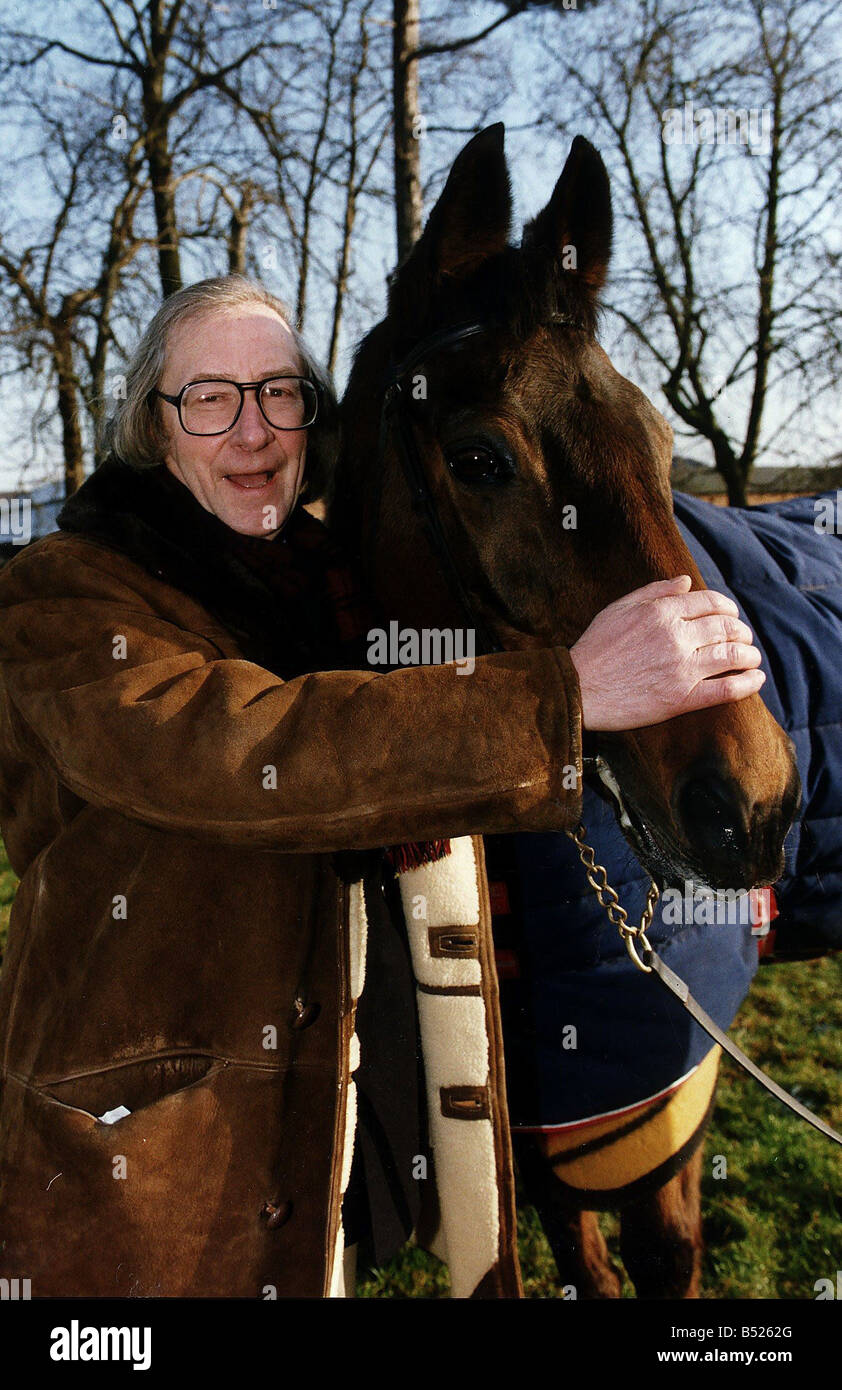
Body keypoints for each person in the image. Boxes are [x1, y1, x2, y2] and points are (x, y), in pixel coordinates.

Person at [0, 275, 764, 1299]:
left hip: (301, 1127)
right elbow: (236, 751)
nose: (252, 431)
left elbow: (384, 735)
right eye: (209, 398)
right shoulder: (67, 589)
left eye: (279, 393)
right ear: (154, 424)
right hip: (138, 1146)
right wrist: (566, 696)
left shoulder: (315, 584)